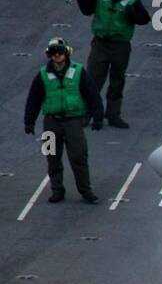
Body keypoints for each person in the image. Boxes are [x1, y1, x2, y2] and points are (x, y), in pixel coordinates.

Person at [23, 37, 103, 204]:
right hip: (50, 122)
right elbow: (34, 99)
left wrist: (98, 117)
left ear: (66, 53)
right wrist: (29, 121)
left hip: (73, 122)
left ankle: (85, 190)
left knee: (79, 156)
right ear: (49, 55)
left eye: (60, 52)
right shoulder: (43, 74)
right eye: (53, 53)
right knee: (52, 156)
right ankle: (57, 190)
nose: (57, 56)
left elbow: (92, 94)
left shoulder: (79, 71)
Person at [74, 0, 151, 128]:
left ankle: (113, 114)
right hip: (100, 43)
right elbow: (87, 11)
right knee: (93, 79)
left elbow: (144, 19)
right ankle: (87, 113)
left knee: (117, 80)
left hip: (120, 45)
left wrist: (133, 14)